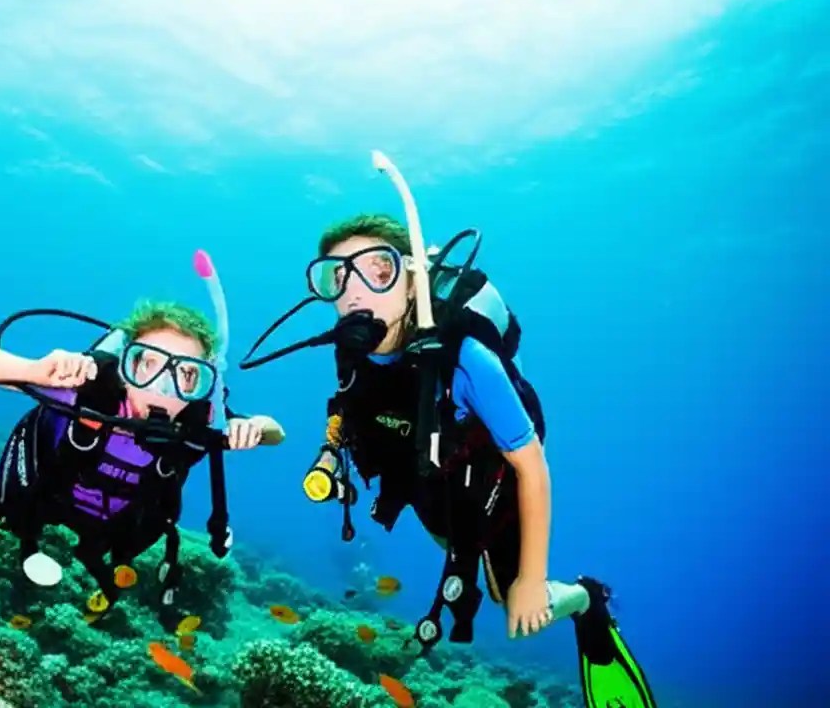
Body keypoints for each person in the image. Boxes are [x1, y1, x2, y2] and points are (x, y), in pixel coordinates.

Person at [240, 155, 655, 708]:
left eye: (378, 270)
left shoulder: (467, 358)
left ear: (413, 280)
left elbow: (532, 465)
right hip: (428, 485)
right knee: (451, 542)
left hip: (491, 485)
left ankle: (586, 600)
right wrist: (328, 455)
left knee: (511, 603)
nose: (354, 291)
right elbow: (345, 405)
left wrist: (533, 578)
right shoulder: (350, 347)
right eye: (335, 277)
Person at [0, 298, 284, 619]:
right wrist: (35, 371)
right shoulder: (85, 392)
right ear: (125, 367)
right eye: (148, 364)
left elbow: (274, 432)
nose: (164, 386)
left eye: (185, 374)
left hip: (113, 518)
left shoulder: (202, 423)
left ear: (202, 383)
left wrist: (258, 426)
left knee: (109, 557)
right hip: (45, 489)